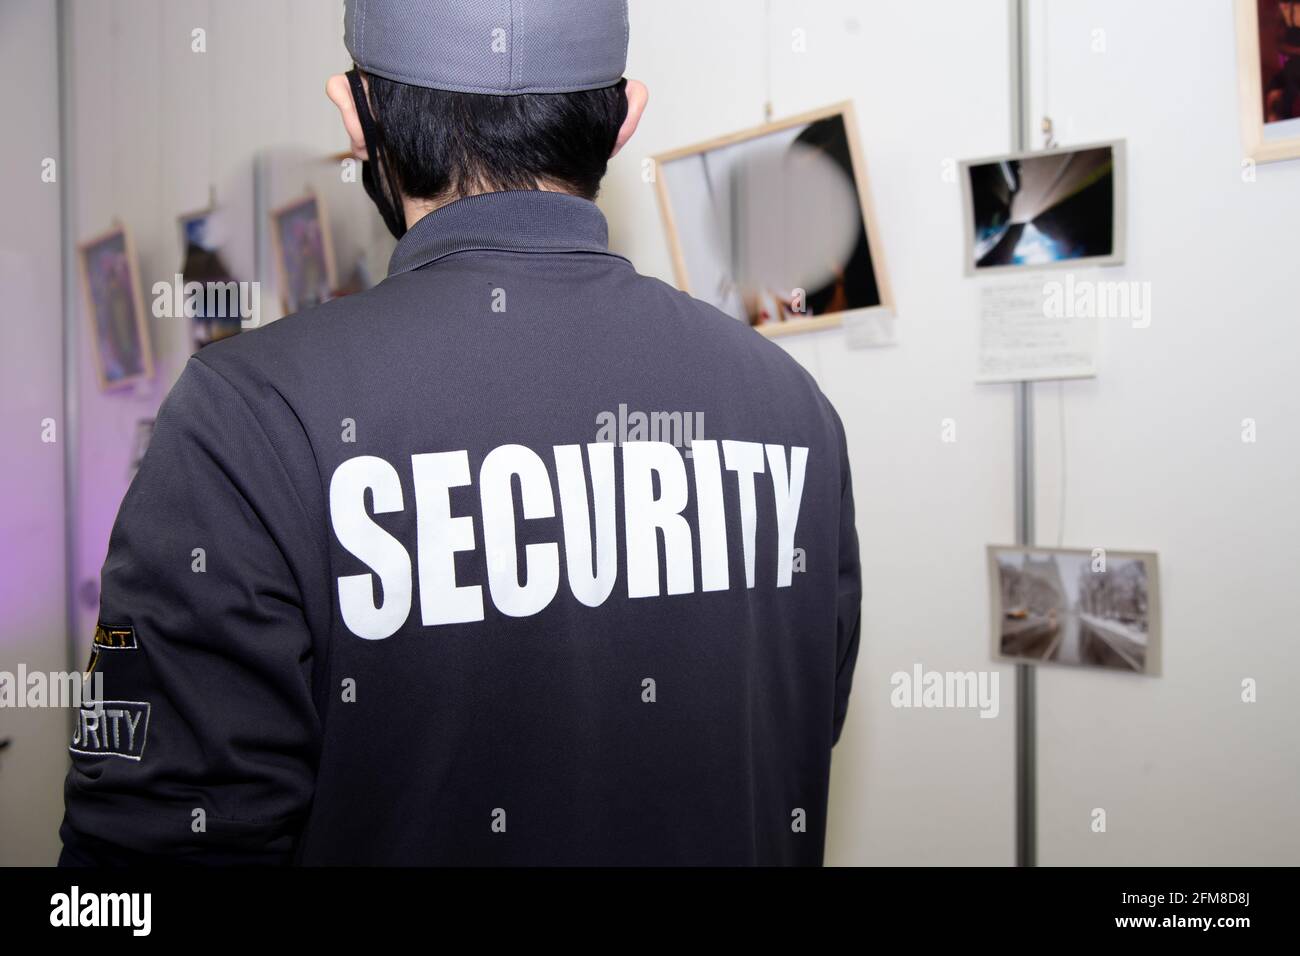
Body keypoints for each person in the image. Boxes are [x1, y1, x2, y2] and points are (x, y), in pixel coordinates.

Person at [58, 0, 861, 866]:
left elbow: (139, 854)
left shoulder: (247, 418)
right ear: (626, 117)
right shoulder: (792, 411)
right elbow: (804, 729)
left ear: (356, 114)